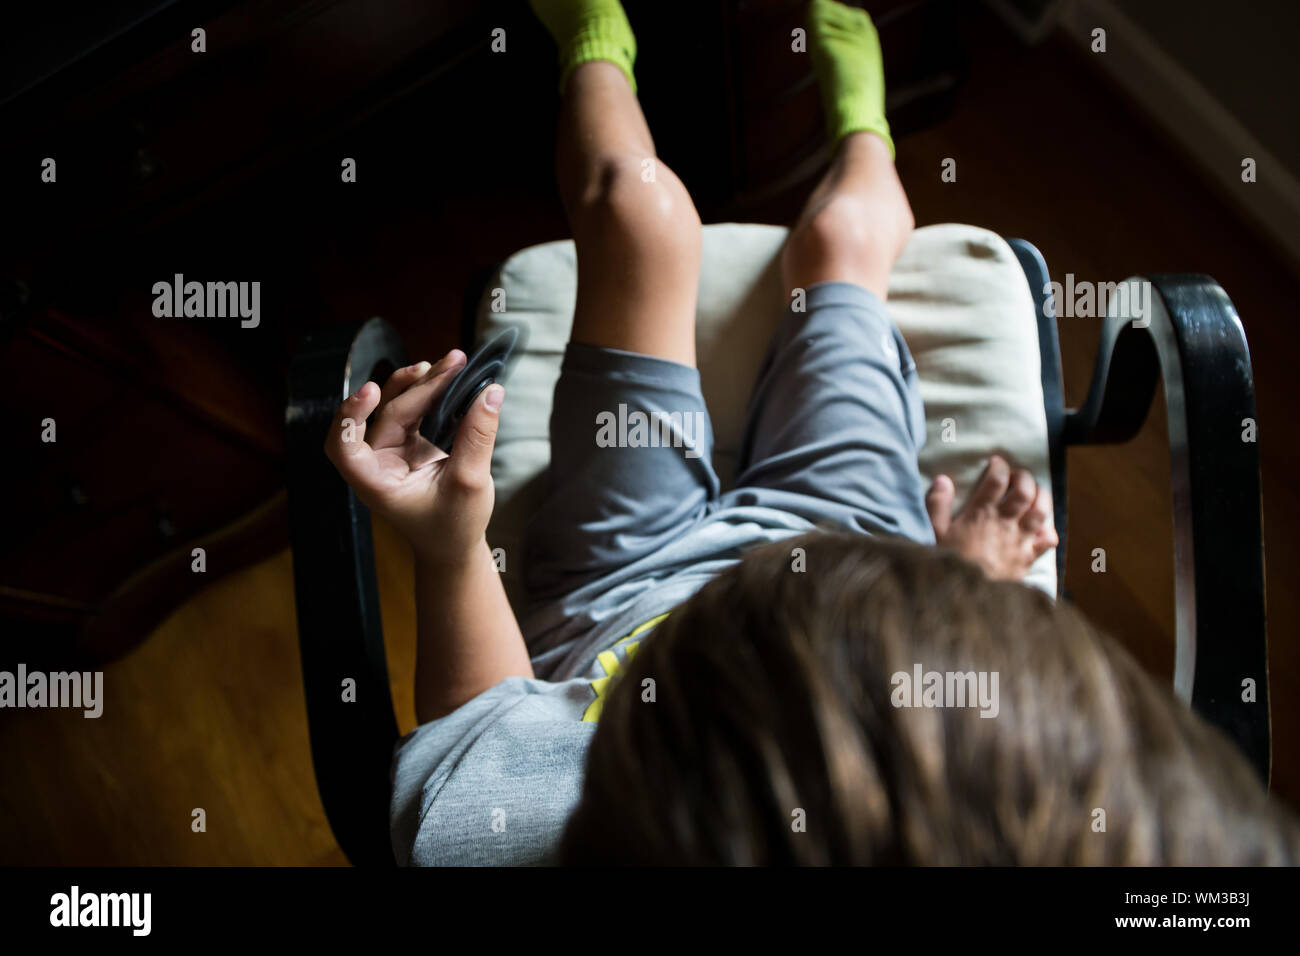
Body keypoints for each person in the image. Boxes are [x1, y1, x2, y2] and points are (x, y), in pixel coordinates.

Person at [323, 0, 1294, 865]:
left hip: (620, 591)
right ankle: (864, 127)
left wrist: (451, 546)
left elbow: (480, 736)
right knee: (839, 249)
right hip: (865, 557)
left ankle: (595, 36)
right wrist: (965, 599)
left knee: (640, 211)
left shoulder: (512, 829)